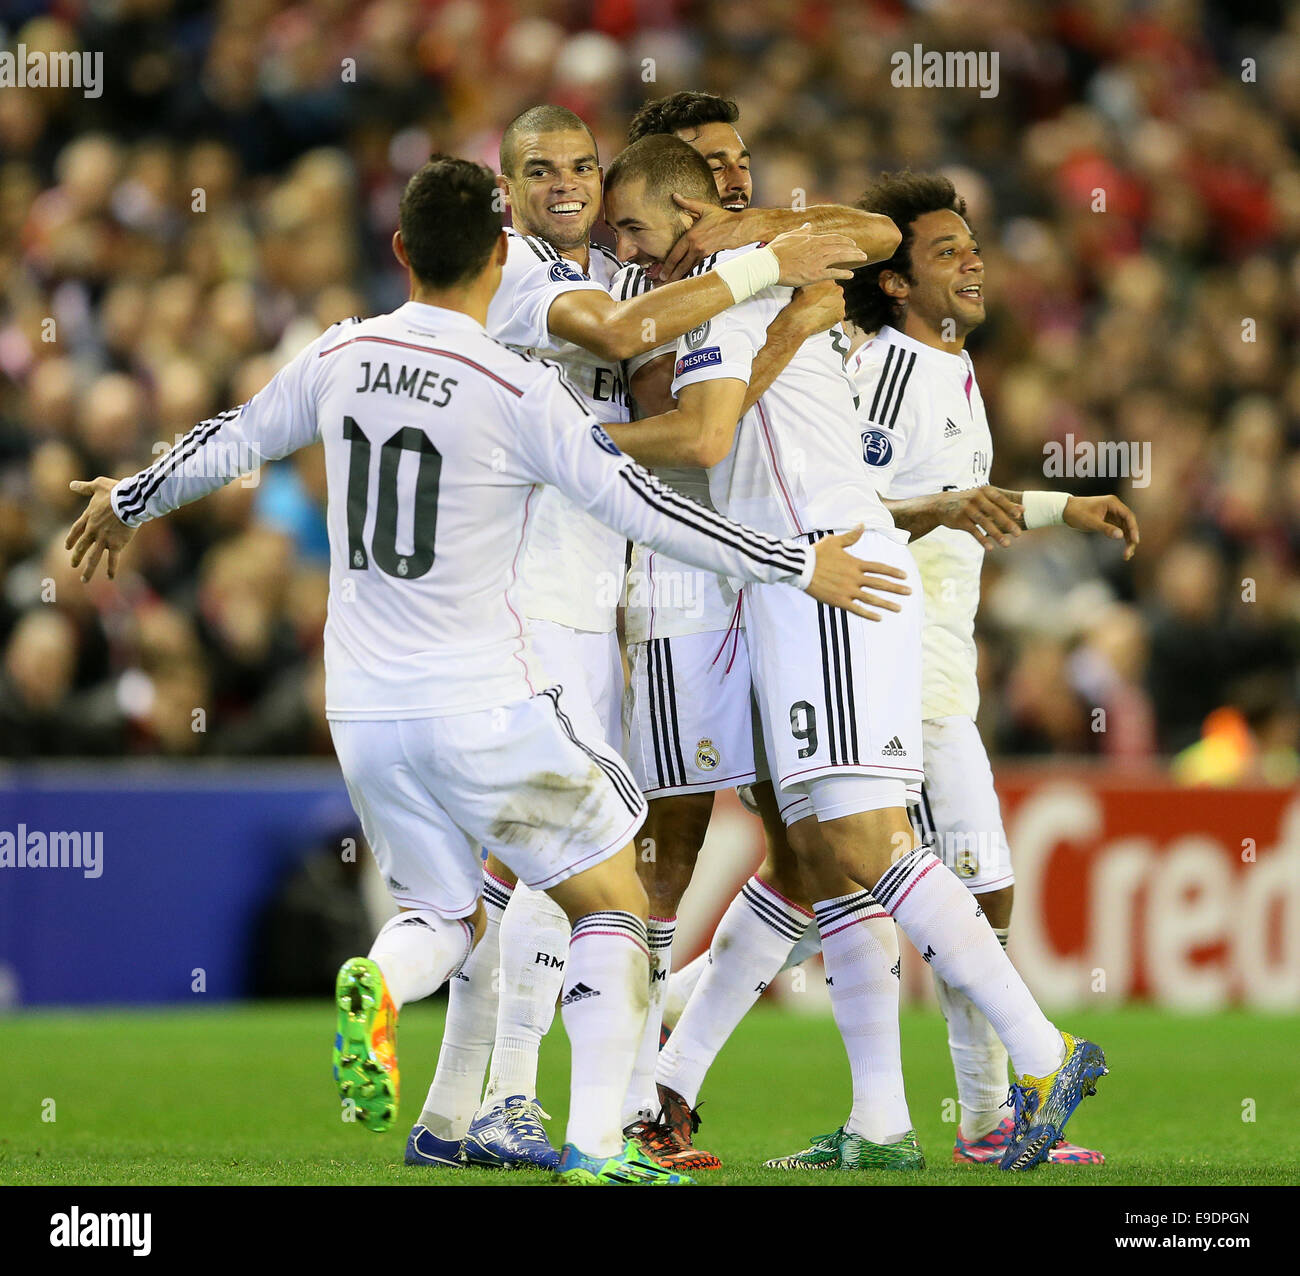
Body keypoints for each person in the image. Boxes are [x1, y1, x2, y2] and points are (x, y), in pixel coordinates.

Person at [65, 154, 897, 1187]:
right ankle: (599, 1147)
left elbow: (233, 440)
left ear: (401, 250)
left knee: (443, 916)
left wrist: (126, 499)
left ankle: (378, 973)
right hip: (480, 700)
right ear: (502, 255)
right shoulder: (515, 386)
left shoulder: (338, 353)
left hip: (362, 712)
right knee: (613, 895)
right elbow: (653, 510)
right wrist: (793, 559)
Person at [601, 134, 1110, 1173]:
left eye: (637, 227)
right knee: (836, 858)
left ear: (684, 216)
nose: (631, 250)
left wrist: (577, 444)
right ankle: (866, 1109)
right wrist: (782, 296)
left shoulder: (722, 276)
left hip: (828, 570)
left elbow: (706, 432)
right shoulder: (739, 282)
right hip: (800, 576)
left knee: (872, 846)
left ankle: (1036, 1054)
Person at [409, 104, 877, 1172]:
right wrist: (766, 274)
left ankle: (453, 1109)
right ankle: (519, 1101)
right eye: (541, 169)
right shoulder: (512, 270)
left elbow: (692, 415)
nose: (565, 184)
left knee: (530, 855)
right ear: (507, 187)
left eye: (581, 165)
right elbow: (630, 356)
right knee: (568, 850)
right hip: (523, 594)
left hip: (590, 593)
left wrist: (770, 262)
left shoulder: (627, 282)